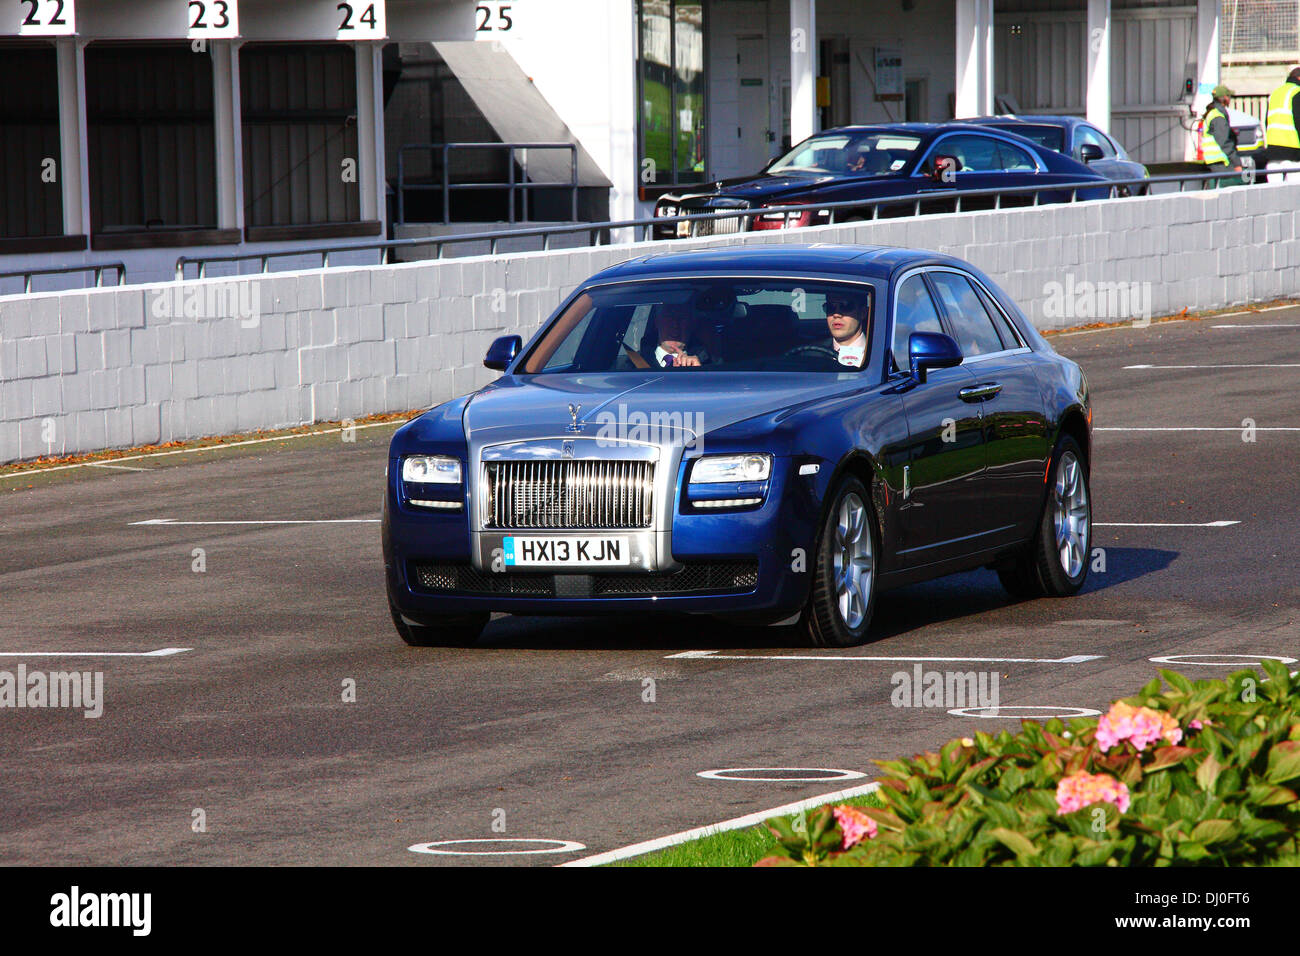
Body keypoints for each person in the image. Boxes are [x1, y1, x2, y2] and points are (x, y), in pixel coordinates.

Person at [1199, 86, 1243, 188]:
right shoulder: (1218, 116)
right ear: (1225, 98)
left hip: (1216, 161)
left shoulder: (1214, 113)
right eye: (1229, 96)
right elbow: (1225, 142)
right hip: (1221, 160)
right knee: (1244, 179)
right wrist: (1236, 163)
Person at [649, 303, 711, 368]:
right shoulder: (638, 363)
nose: (675, 325)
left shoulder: (710, 367)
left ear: (691, 324)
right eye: (669, 317)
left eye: (681, 318)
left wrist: (698, 373)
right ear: (657, 322)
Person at [1265, 67, 1300, 182]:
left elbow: (1268, 122)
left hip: (1273, 151)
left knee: (1274, 191)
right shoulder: (1297, 92)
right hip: (1293, 152)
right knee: (1295, 192)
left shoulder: (1275, 93)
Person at [824, 292, 870, 368]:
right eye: (830, 307)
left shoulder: (882, 355)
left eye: (846, 306)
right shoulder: (810, 354)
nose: (836, 314)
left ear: (863, 312)